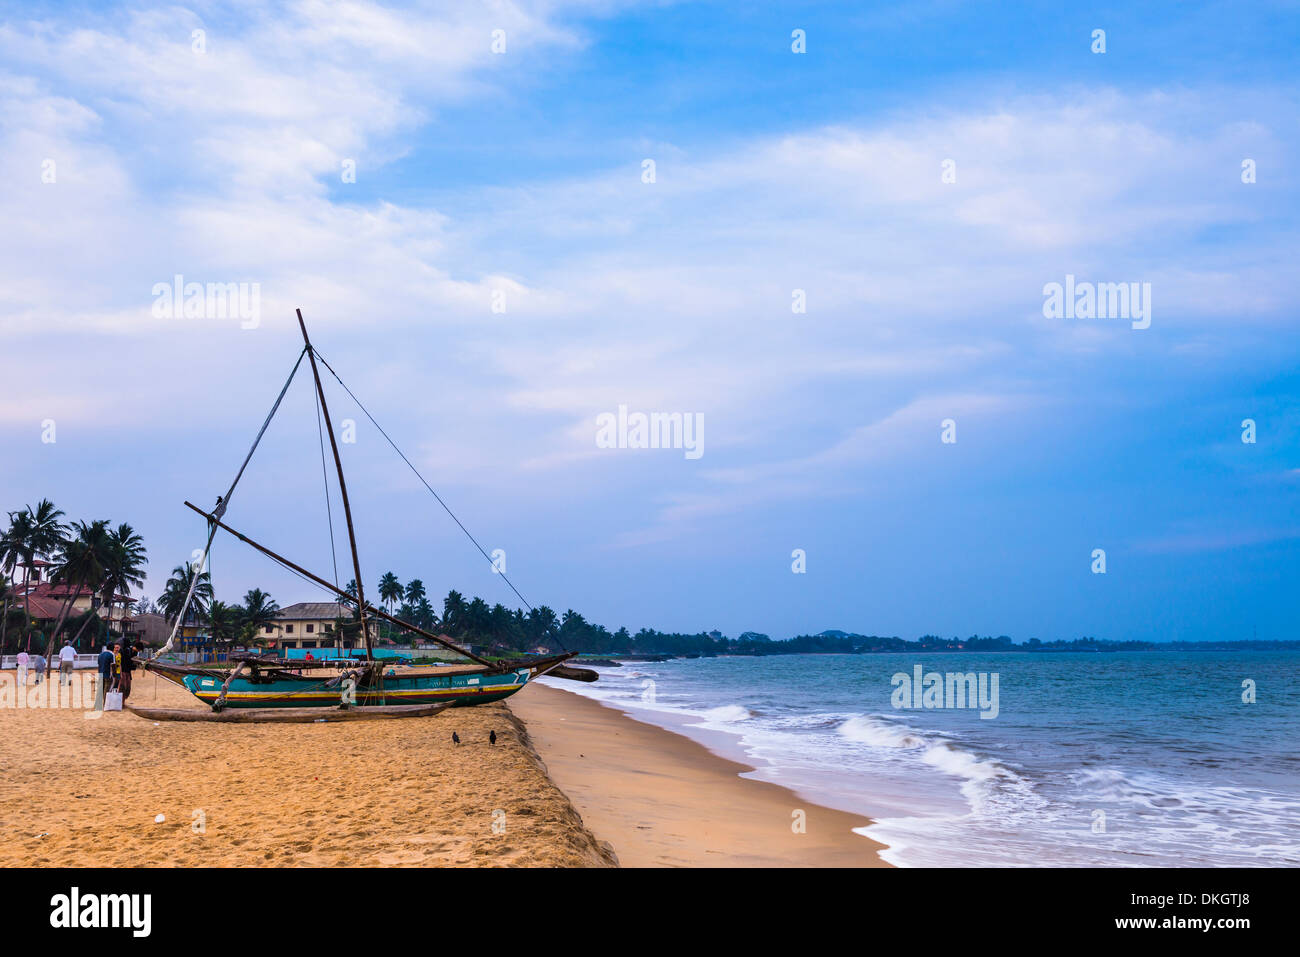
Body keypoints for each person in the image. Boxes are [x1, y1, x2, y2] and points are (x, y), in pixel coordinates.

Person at [96, 643, 114, 710]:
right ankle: (105, 705)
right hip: (108, 675)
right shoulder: (111, 654)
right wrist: (114, 675)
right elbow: (113, 665)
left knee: (100, 690)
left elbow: (99, 665)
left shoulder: (100, 654)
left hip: (100, 674)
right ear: (112, 648)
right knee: (107, 690)